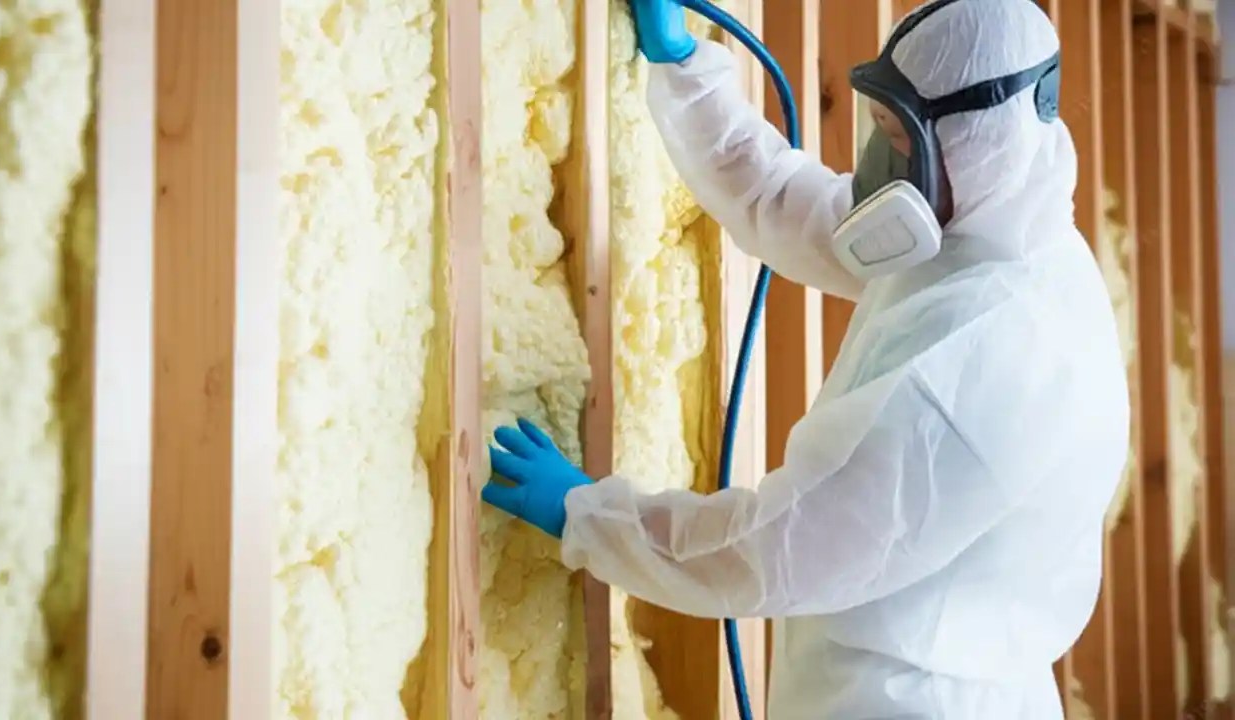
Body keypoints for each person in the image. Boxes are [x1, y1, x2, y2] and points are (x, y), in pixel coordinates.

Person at [481, 0, 1130, 716]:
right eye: (878, 125)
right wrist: (687, 68)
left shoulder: (993, 354)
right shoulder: (983, 230)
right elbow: (788, 204)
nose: (880, 162)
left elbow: (777, 549)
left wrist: (589, 517)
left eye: (898, 137)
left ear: (974, 140)